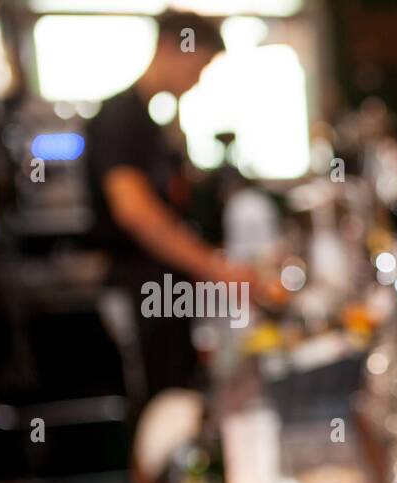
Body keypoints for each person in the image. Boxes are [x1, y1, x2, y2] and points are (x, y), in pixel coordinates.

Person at [85, 11, 264, 399]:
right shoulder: (120, 117)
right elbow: (135, 212)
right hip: (140, 293)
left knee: (181, 393)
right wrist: (216, 269)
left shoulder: (154, 123)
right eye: (199, 65)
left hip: (166, 293)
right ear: (172, 46)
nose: (198, 78)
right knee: (158, 407)